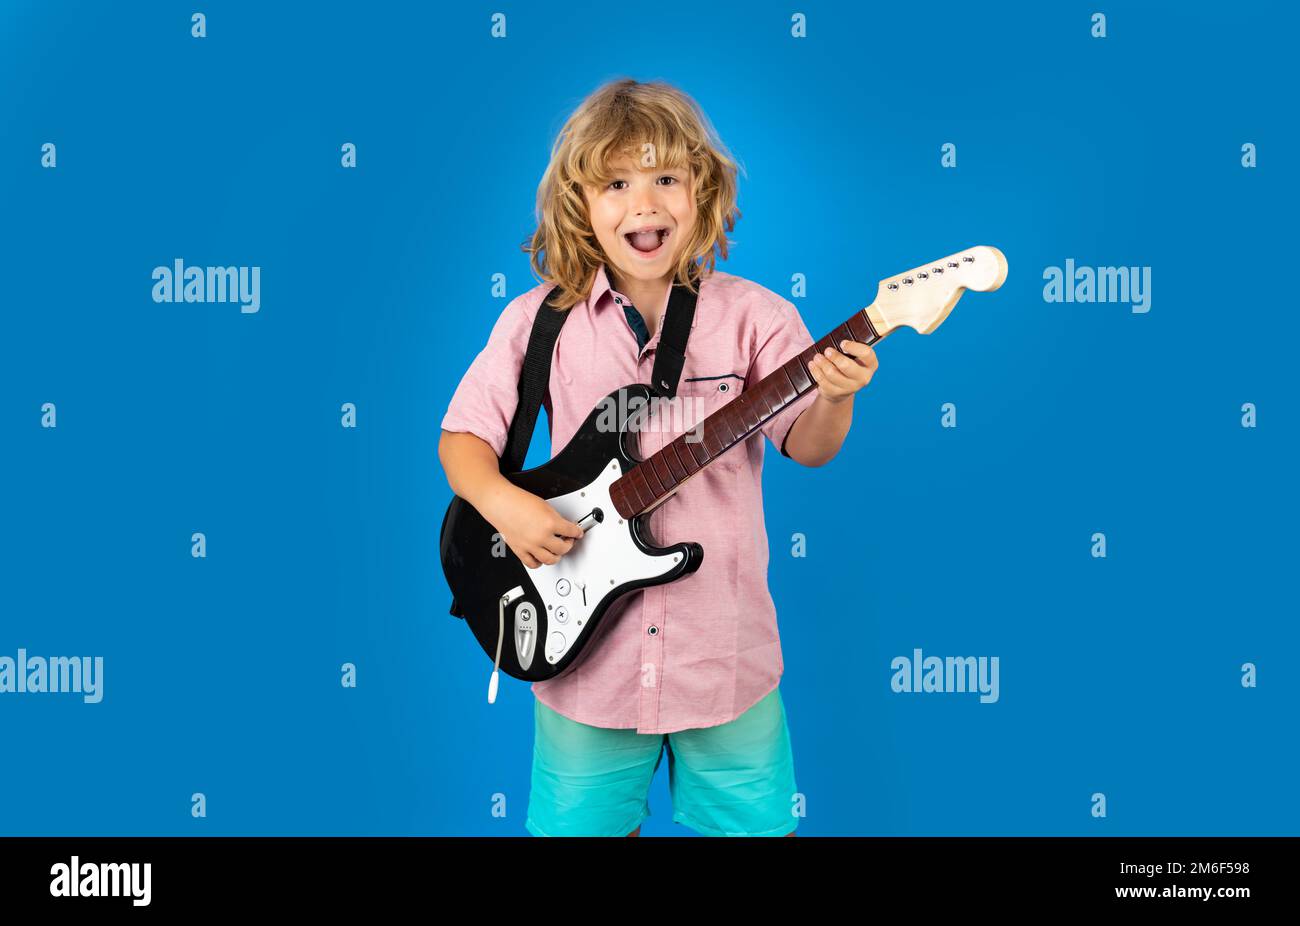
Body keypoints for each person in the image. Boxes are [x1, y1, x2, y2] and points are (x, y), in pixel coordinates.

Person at [438, 78, 878, 836]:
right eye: (616, 183)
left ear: (701, 191)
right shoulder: (538, 324)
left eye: (666, 179)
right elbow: (464, 440)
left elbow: (807, 446)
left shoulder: (757, 318)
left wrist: (835, 396)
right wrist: (506, 505)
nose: (644, 204)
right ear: (581, 203)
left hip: (725, 660)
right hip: (586, 672)